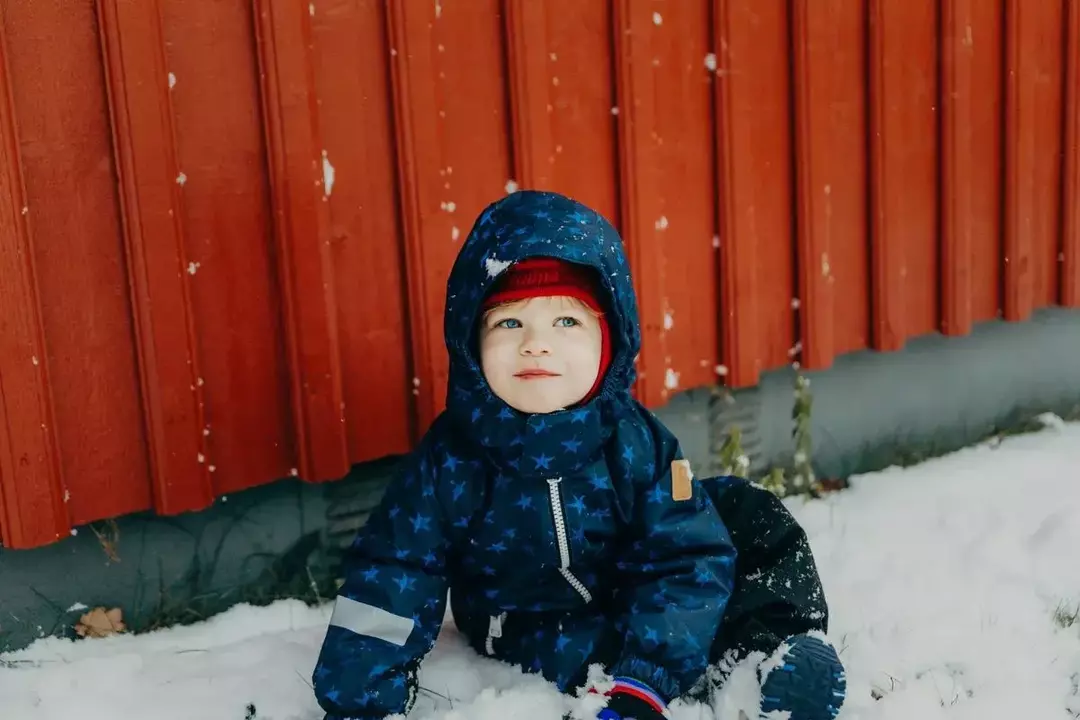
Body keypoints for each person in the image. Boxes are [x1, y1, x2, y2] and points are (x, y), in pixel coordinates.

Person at [312, 190, 845, 720]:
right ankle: (684, 673)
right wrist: (361, 695)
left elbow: (686, 555)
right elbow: (394, 567)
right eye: (508, 323)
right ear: (469, 344)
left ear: (610, 341)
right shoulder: (450, 462)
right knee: (594, 642)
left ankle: (771, 658)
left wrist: (657, 654)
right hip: (532, 620)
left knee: (738, 514)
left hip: (637, 586)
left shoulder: (636, 441)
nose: (536, 344)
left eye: (566, 323)